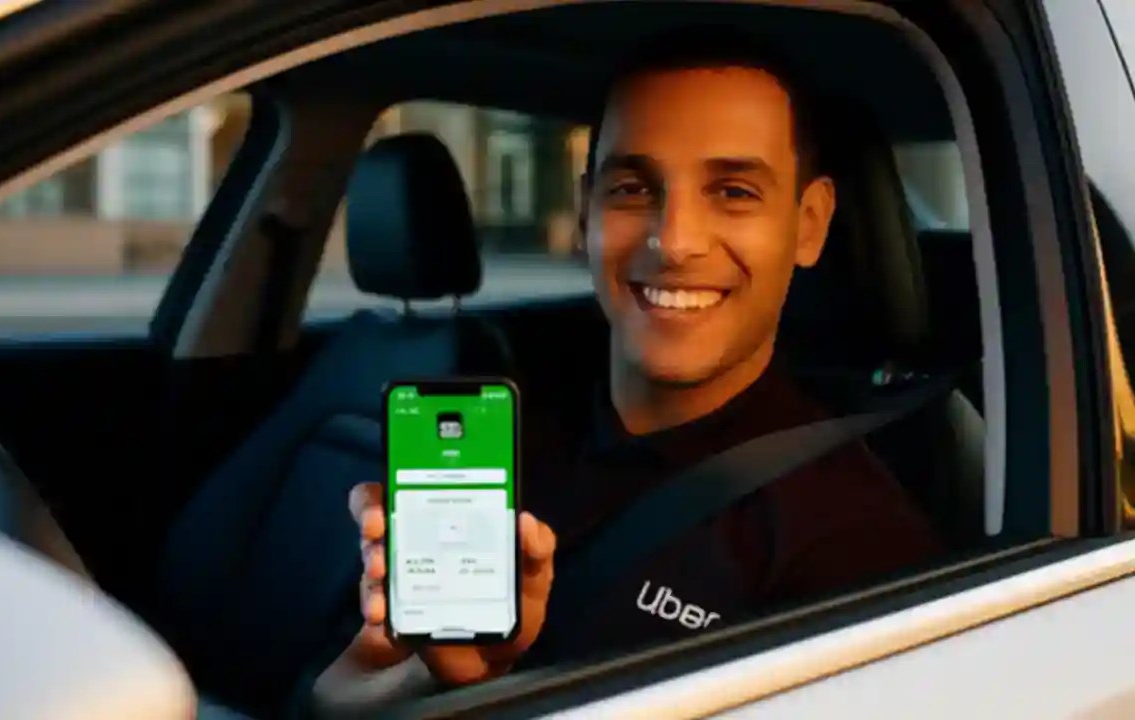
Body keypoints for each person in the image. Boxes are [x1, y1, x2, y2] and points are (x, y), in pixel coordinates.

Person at [314, 26, 942, 710]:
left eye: (733, 191)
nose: (673, 241)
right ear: (586, 209)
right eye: (633, 188)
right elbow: (334, 701)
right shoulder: (500, 436)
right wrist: (433, 677)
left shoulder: (855, 547)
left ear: (810, 224)